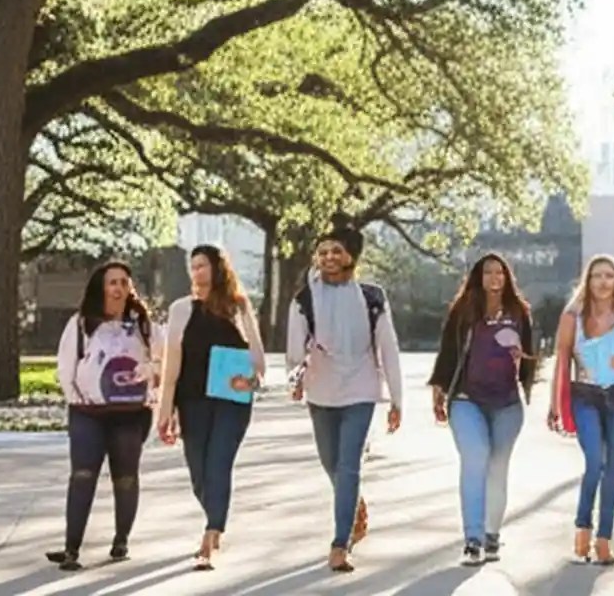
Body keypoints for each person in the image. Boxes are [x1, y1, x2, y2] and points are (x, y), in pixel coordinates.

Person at [286, 215, 404, 573]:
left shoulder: (372, 297)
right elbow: (295, 350)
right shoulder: (304, 298)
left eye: (336, 251)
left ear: (351, 257)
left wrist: (397, 399)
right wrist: (295, 376)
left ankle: (341, 544)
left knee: (348, 465)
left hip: (361, 387)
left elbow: (389, 348)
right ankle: (355, 505)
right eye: (322, 252)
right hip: (321, 388)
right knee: (331, 464)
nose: (328, 257)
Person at [157, 245, 266, 570]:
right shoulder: (181, 309)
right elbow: (171, 364)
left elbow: (258, 362)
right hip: (192, 400)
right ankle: (214, 516)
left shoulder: (238, 306)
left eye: (203, 265)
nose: (197, 272)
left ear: (218, 269)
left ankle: (211, 532)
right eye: (193, 266)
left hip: (231, 402)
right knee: (198, 472)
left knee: (218, 463)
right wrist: (165, 409)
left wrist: (250, 379)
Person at [46, 261, 159, 571]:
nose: (119, 288)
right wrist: (78, 400)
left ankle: (121, 540)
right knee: (82, 475)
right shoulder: (81, 325)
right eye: (113, 282)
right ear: (101, 288)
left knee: (126, 478)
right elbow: (65, 367)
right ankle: (72, 549)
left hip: (130, 414)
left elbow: (163, 361)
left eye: (124, 282)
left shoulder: (144, 326)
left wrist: (150, 373)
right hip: (88, 414)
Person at [427, 253, 536, 566]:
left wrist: (525, 365)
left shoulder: (519, 311)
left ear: (507, 278)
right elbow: (448, 351)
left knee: (497, 468)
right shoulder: (464, 310)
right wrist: (439, 388)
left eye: (500, 273)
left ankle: (491, 535)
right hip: (466, 399)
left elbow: (530, 356)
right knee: (475, 459)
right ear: (478, 277)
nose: (494, 278)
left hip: (507, 404)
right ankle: (472, 539)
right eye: (488, 272)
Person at [547, 254, 614, 566]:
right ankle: (583, 527)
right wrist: (554, 404)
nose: (604, 282)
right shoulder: (572, 317)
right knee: (596, 462)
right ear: (587, 281)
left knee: (613, 470)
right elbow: (562, 361)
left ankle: (604, 539)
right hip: (585, 398)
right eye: (597, 276)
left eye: (610, 276)